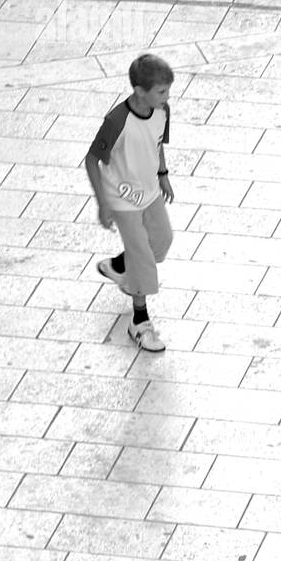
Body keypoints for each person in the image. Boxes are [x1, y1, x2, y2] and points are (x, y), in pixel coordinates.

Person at [84, 53, 176, 353]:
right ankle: (139, 321)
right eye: (161, 91)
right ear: (140, 91)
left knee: (161, 241)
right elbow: (92, 159)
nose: (167, 96)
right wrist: (103, 203)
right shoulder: (117, 121)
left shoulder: (162, 110)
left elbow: (157, 142)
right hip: (121, 199)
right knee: (143, 259)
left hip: (148, 192)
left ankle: (119, 266)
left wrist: (162, 174)